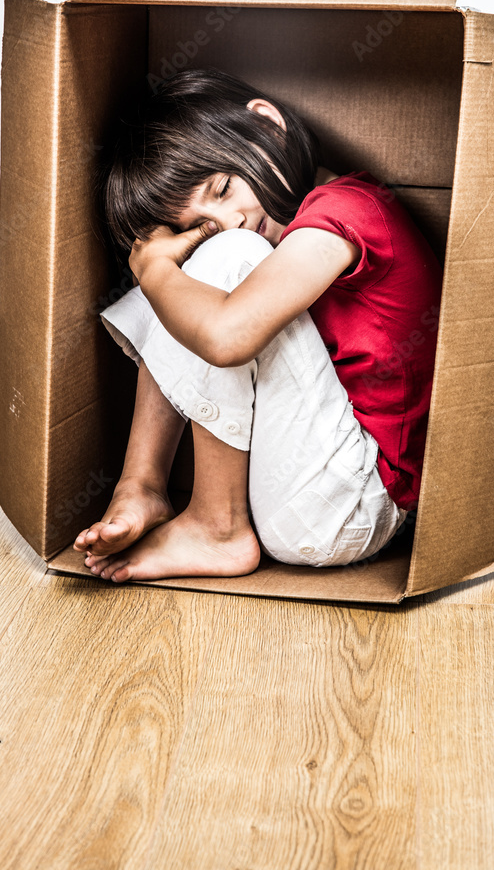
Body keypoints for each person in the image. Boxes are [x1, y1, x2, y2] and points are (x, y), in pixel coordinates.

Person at [73, 67, 441, 583]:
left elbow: (227, 337)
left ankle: (217, 525)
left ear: (268, 125)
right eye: (199, 226)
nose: (232, 220)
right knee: (184, 291)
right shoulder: (296, 228)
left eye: (222, 189)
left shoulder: (346, 212)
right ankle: (141, 485)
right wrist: (165, 273)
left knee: (218, 267)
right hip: (309, 487)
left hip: (354, 503)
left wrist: (154, 267)